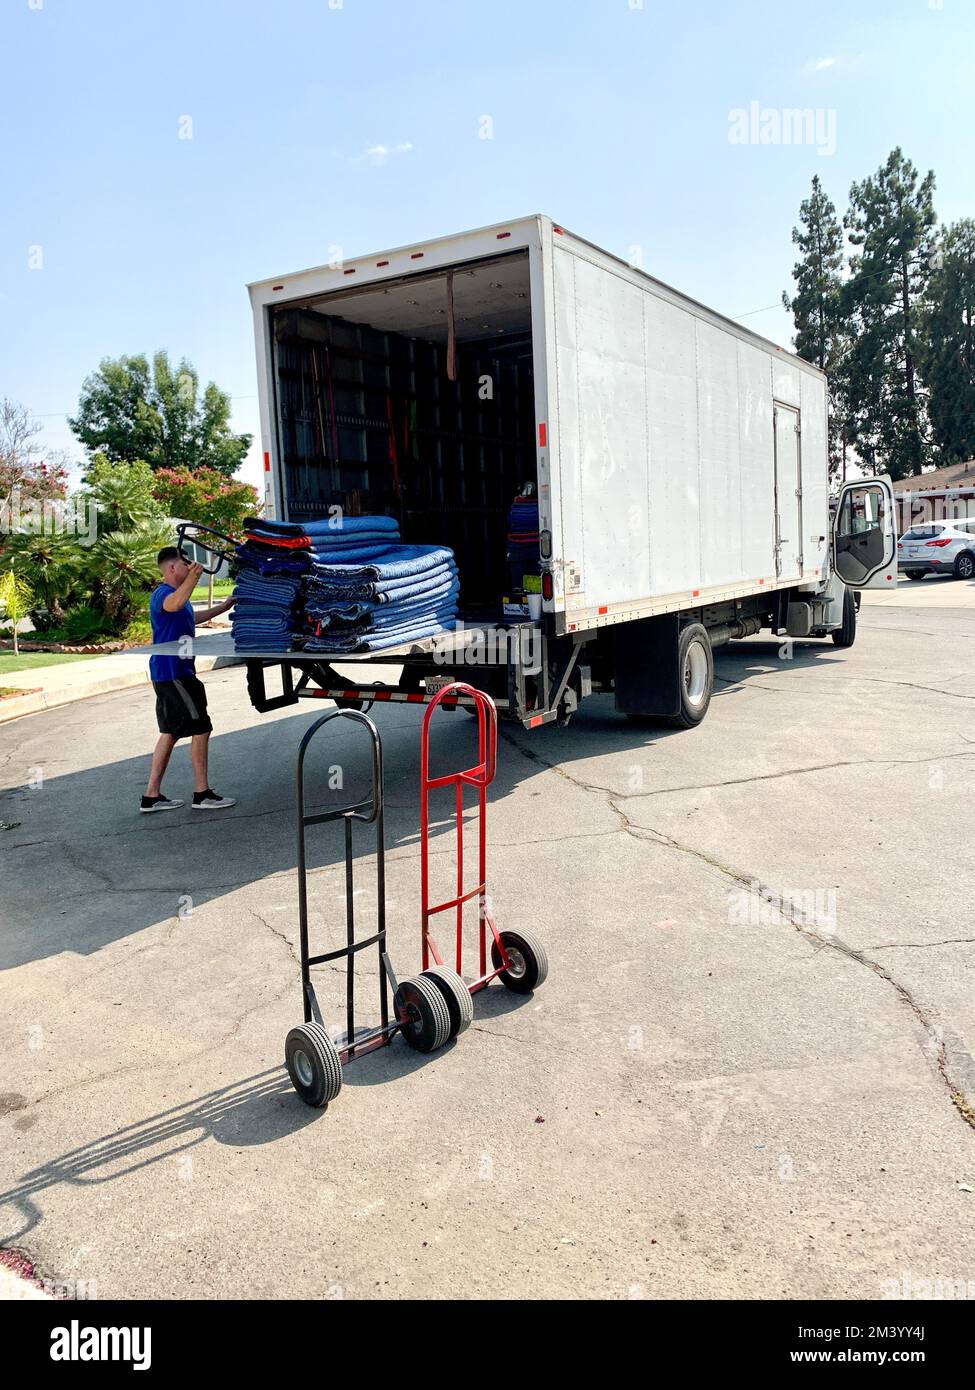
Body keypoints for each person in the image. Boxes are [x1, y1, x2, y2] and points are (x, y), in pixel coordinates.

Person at [141, 547, 237, 814]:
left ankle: (151, 796)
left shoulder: (177, 598)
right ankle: (202, 794)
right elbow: (174, 605)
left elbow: (190, 617)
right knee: (201, 727)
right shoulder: (163, 595)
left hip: (172, 672)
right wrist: (194, 578)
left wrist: (224, 606)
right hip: (174, 673)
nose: (191, 566)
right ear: (173, 568)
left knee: (170, 732)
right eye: (186, 564)